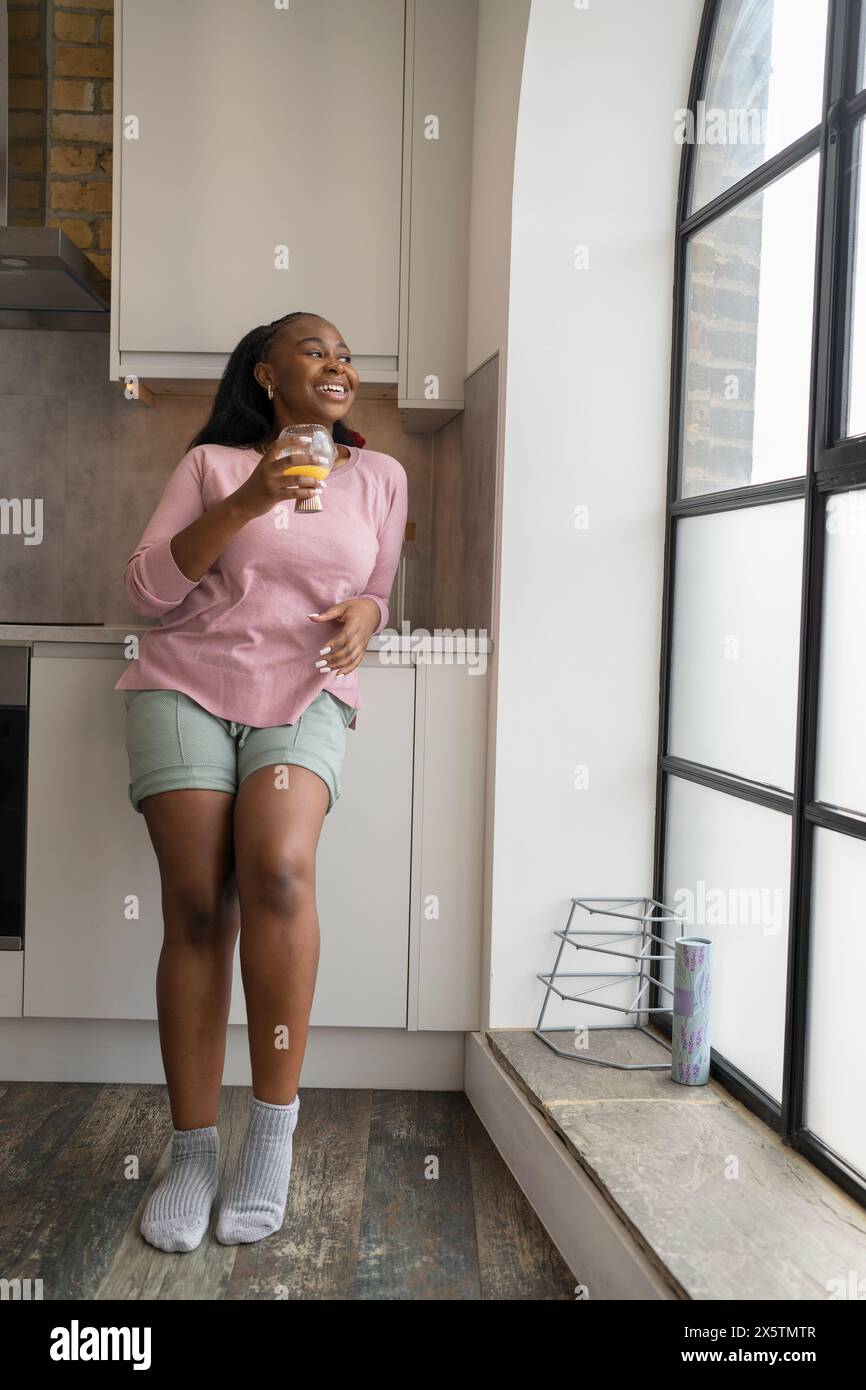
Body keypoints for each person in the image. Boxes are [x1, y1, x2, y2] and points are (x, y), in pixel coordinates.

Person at [115, 310, 408, 1251]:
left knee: (278, 871)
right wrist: (247, 499)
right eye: (316, 349)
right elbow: (149, 591)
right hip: (186, 686)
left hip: (307, 690)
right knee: (198, 903)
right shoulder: (211, 466)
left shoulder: (381, 477)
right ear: (266, 373)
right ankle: (193, 1151)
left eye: (346, 353)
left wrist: (368, 610)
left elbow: (379, 589)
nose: (339, 362)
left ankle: (270, 1138)